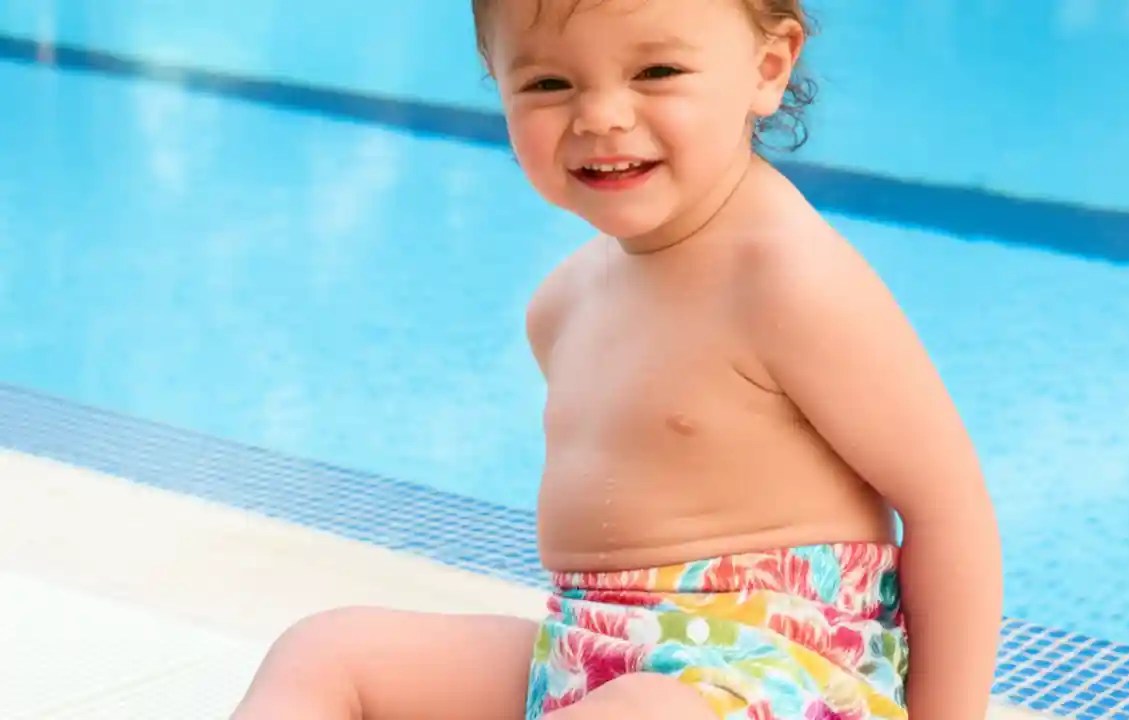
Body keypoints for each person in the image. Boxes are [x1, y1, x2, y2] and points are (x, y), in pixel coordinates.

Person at [232, 0, 1003, 718]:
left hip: (773, 672)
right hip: (587, 654)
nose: (600, 116)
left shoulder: (786, 278)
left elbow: (950, 510)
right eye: (547, 81)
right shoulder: (562, 306)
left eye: (656, 72)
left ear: (769, 67)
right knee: (330, 652)